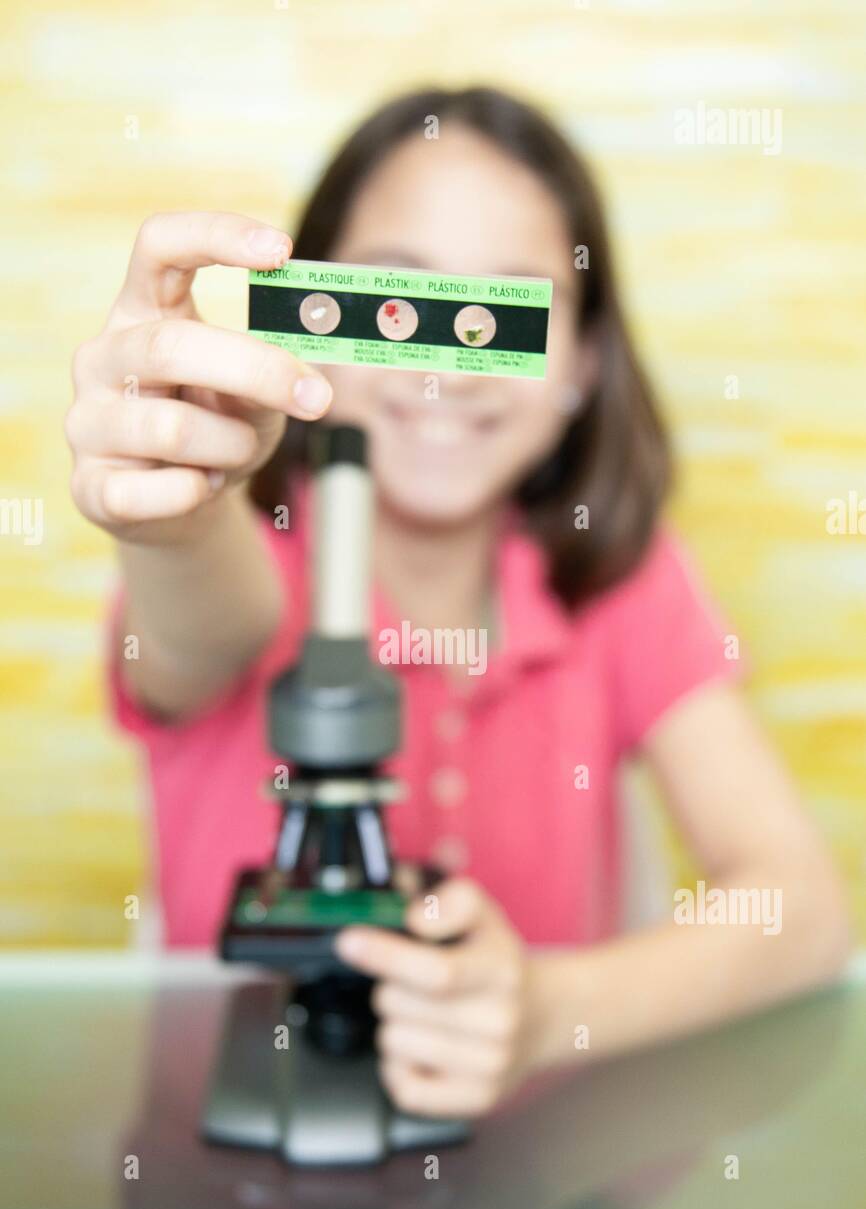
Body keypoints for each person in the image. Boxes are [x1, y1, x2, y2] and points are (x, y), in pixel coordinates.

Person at [65, 86, 850, 1119]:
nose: (447, 370)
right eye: (400, 300)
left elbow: (797, 908)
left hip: (541, 1203)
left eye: (500, 314)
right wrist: (172, 513)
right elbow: (203, 608)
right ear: (314, 322)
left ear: (580, 363)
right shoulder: (249, 558)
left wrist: (546, 1009)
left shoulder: (619, 578)